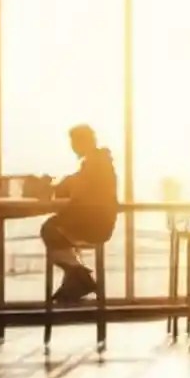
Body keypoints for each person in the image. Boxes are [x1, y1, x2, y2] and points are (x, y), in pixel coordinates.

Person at [42, 124, 119, 303]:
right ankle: (76, 275)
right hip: (99, 221)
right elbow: (76, 184)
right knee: (53, 227)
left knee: (49, 229)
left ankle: (78, 274)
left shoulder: (95, 164)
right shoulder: (98, 162)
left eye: (74, 142)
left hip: (92, 223)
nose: (73, 146)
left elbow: (78, 191)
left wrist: (57, 188)